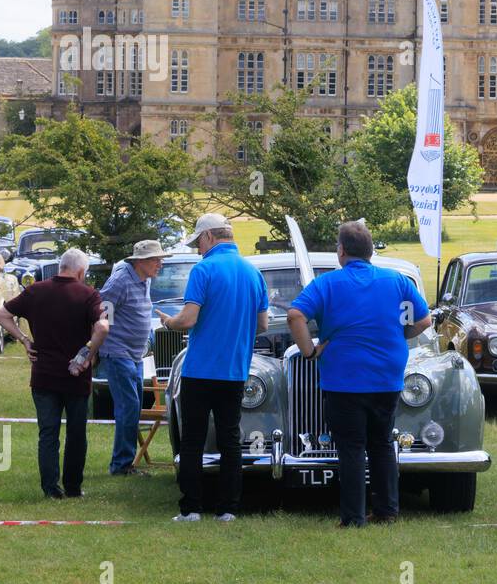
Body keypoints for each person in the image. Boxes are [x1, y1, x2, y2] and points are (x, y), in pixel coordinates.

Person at [287, 220, 431, 528]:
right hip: (387, 376)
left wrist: (309, 351)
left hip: (344, 378)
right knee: (381, 444)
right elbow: (424, 321)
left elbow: (295, 314)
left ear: (341, 251)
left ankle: (353, 517)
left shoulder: (328, 284)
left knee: (351, 447)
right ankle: (387, 511)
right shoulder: (397, 281)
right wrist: (398, 334)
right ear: (370, 252)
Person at [158, 214, 267, 523]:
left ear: (207, 238)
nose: (197, 250)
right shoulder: (252, 272)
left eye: (198, 244)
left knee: (192, 440)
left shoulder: (203, 269)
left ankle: (191, 508)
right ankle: (229, 508)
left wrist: (169, 322)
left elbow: (189, 319)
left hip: (200, 369)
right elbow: (261, 324)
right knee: (231, 438)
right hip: (235, 370)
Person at [0, 249, 108, 499]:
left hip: (43, 374)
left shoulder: (35, 291)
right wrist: (88, 352)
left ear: (60, 267)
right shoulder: (88, 295)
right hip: (75, 374)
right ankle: (73, 487)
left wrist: (24, 339)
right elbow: (102, 326)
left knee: (48, 433)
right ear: (80, 271)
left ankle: (50, 488)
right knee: (76, 434)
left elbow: (1, 314)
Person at [98, 240, 167, 476]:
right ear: (140, 261)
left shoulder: (143, 279)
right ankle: (121, 465)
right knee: (128, 407)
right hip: (118, 353)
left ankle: (124, 462)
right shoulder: (120, 281)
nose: (161, 263)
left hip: (134, 355)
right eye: (156, 259)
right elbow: (102, 313)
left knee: (133, 407)